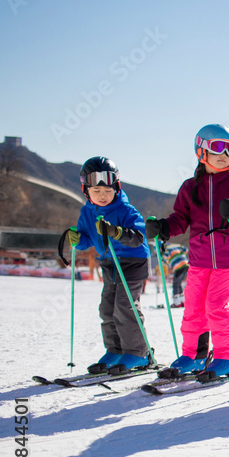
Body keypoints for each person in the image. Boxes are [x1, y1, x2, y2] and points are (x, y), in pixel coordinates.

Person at [145, 124, 229, 379]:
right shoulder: (190, 187)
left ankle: (228, 357)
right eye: (217, 147)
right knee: (194, 307)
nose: (224, 154)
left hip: (228, 258)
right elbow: (180, 219)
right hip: (198, 259)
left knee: (215, 306)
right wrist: (164, 227)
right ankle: (194, 356)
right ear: (201, 151)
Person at [67, 157, 151, 373]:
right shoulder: (87, 212)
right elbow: (86, 239)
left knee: (125, 306)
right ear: (86, 191)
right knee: (107, 308)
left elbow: (139, 237)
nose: (102, 196)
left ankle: (138, 353)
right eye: (96, 191)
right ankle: (115, 349)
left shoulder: (126, 210)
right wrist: (77, 239)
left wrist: (116, 232)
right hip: (109, 263)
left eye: (107, 191)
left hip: (133, 262)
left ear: (116, 188)